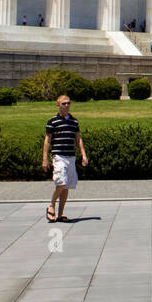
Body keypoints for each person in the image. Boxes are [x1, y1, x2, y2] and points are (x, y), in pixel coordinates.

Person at [43, 95, 88, 223]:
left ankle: (61, 214)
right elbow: (47, 140)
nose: (67, 105)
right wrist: (44, 158)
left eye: (68, 103)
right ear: (58, 105)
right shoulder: (52, 121)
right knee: (61, 182)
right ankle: (51, 205)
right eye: (64, 104)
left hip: (71, 156)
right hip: (58, 155)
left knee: (66, 186)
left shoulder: (74, 121)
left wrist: (83, 155)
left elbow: (78, 139)